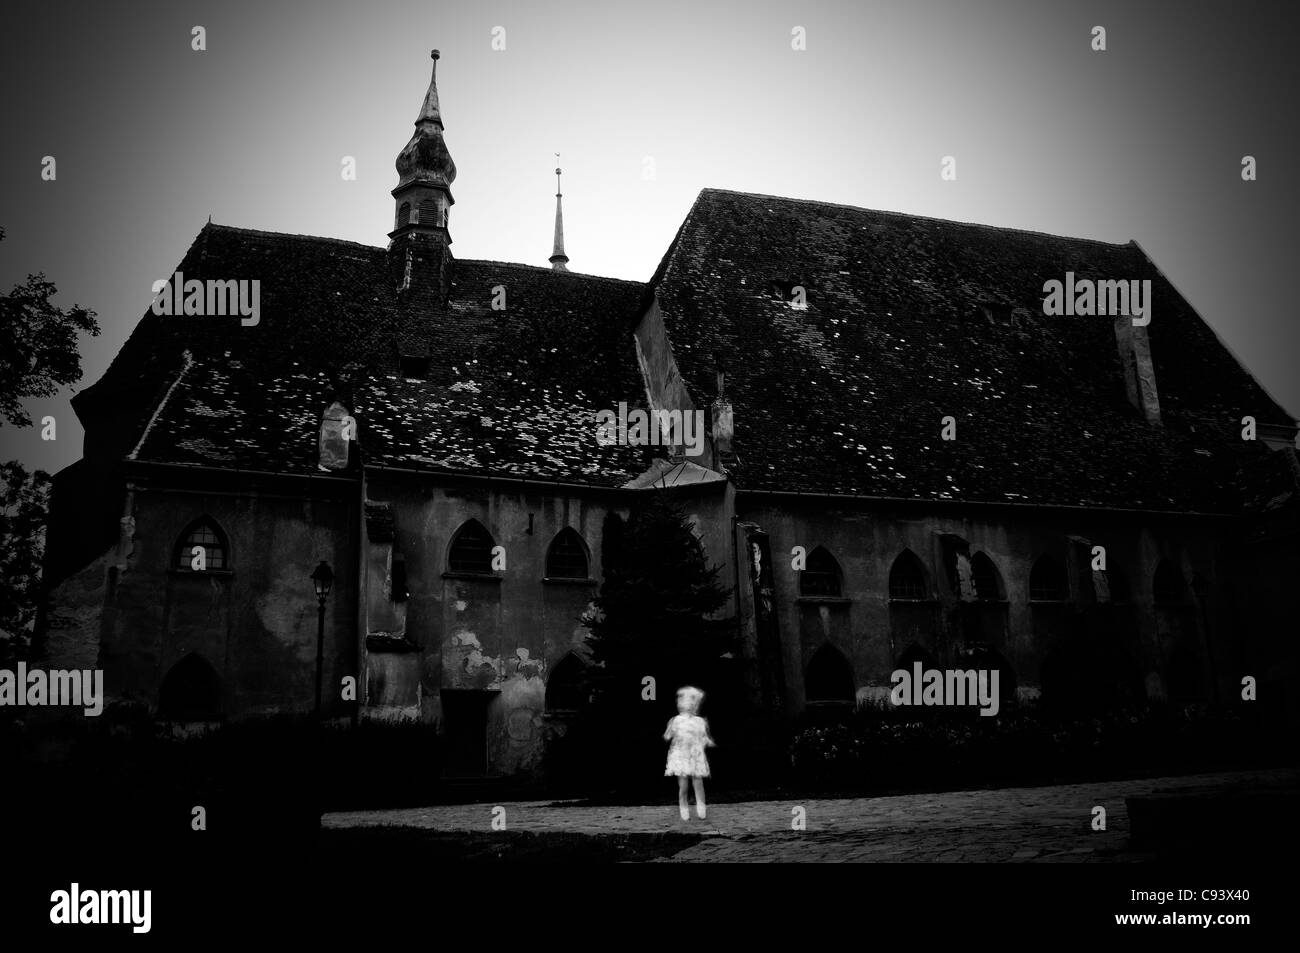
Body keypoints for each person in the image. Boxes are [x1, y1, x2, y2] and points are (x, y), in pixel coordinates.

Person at [663, 685, 716, 820]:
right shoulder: (676, 720)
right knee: (683, 785)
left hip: (696, 756)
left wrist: (708, 741)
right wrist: (669, 731)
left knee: (698, 783)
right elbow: (668, 736)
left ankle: (701, 806)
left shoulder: (700, 721)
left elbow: (704, 737)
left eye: (694, 704)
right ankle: (684, 807)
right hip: (682, 756)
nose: (691, 707)